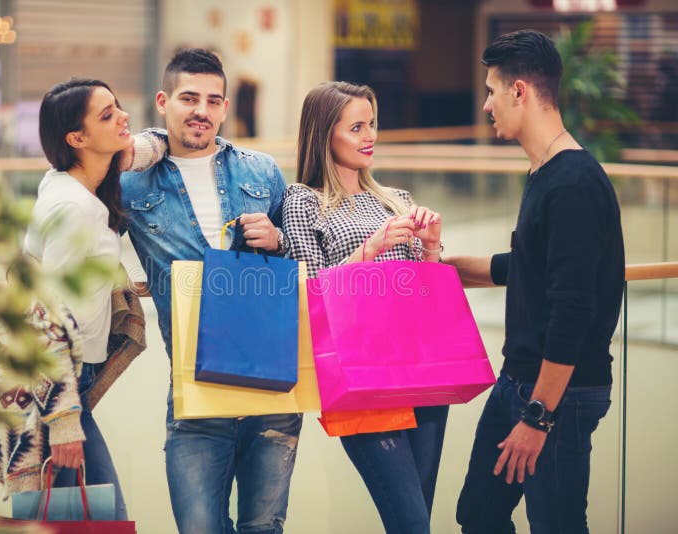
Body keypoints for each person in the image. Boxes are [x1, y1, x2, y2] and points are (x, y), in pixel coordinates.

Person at [447, 30, 625, 534]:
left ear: (519, 92)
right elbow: (524, 267)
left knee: (558, 523)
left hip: (556, 395)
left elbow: (573, 309)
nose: (486, 104)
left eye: (491, 91)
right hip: (520, 381)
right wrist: (442, 266)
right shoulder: (545, 172)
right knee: (479, 514)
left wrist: (538, 417)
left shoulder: (572, 184)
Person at [121, 49, 300, 534]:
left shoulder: (262, 171)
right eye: (189, 98)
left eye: (212, 100)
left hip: (271, 388)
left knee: (264, 528)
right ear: (163, 101)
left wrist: (281, 241)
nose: (201, 110)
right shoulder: (131, 183)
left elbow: (304, 269)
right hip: (195, 392)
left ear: (225, 108)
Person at [282, 81, 449, 534]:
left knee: (417, 521)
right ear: (323, 134)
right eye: (356, 127)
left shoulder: (396, 197)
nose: (369, 135)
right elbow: (309, 294)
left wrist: (431, 250)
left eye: (371, 124)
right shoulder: (303, 202)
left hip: (422, 369)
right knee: (412, 523)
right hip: (361, 374)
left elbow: (429, 298)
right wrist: (370, 249)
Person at [0, 78, 154, 520]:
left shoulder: (68, 186)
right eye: (107, 115)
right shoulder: (73, 208)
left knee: (92, 517)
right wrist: (63, 421)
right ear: (76, 139)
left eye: (117, 106)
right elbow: (47, 315)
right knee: (92, 519)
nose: (123, 116)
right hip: (53, 393)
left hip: (61, 390)